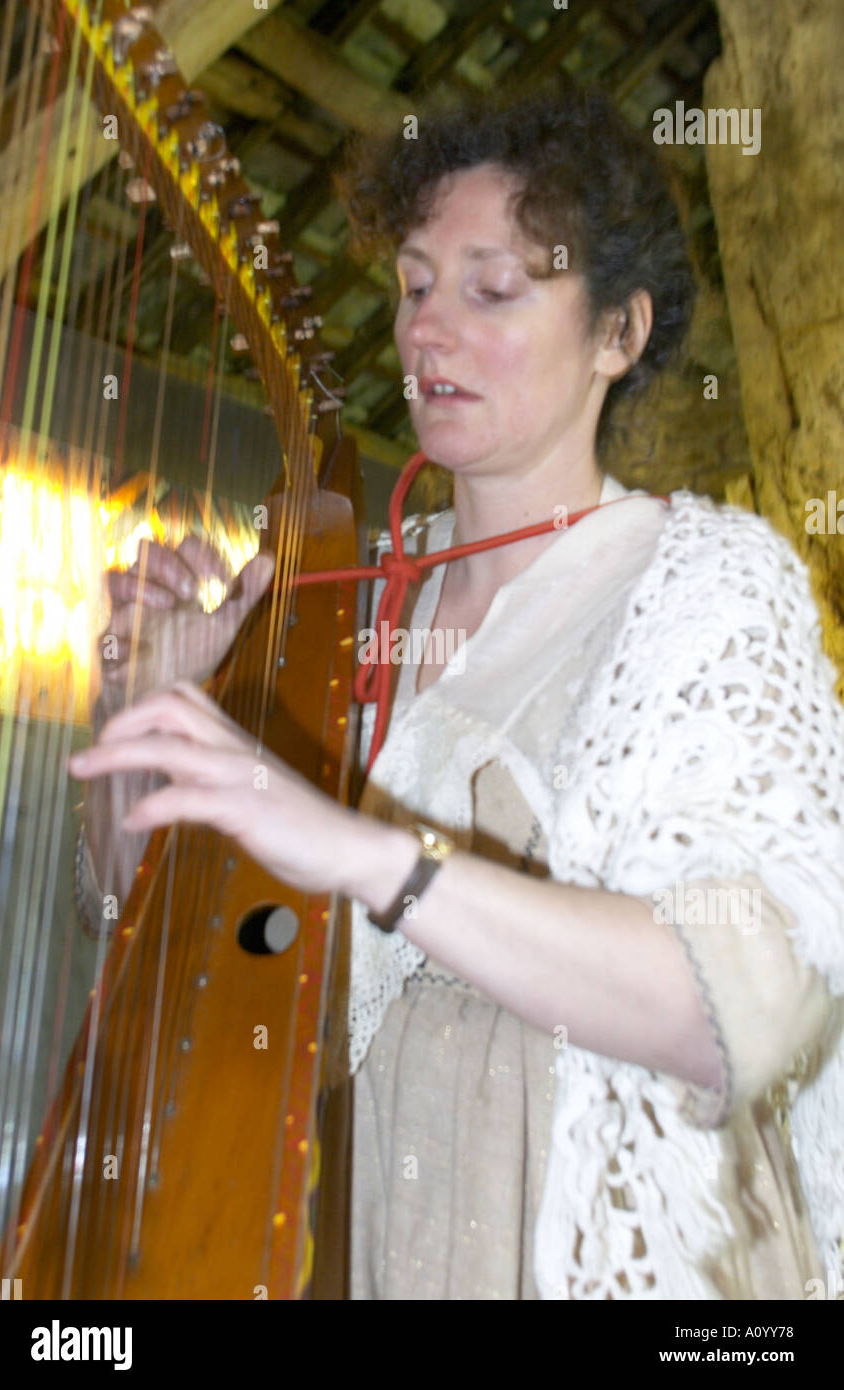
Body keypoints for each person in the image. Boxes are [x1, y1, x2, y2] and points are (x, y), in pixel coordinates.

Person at [71, 83, 844, 1300]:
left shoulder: (702, 584)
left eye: (491, 289)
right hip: (368, 1238)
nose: (428, 332)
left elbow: (734, 1006)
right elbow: (173, 942)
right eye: (414, 285)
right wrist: (153, 715)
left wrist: (370, 854)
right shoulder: (337, 602)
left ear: (616, 334)